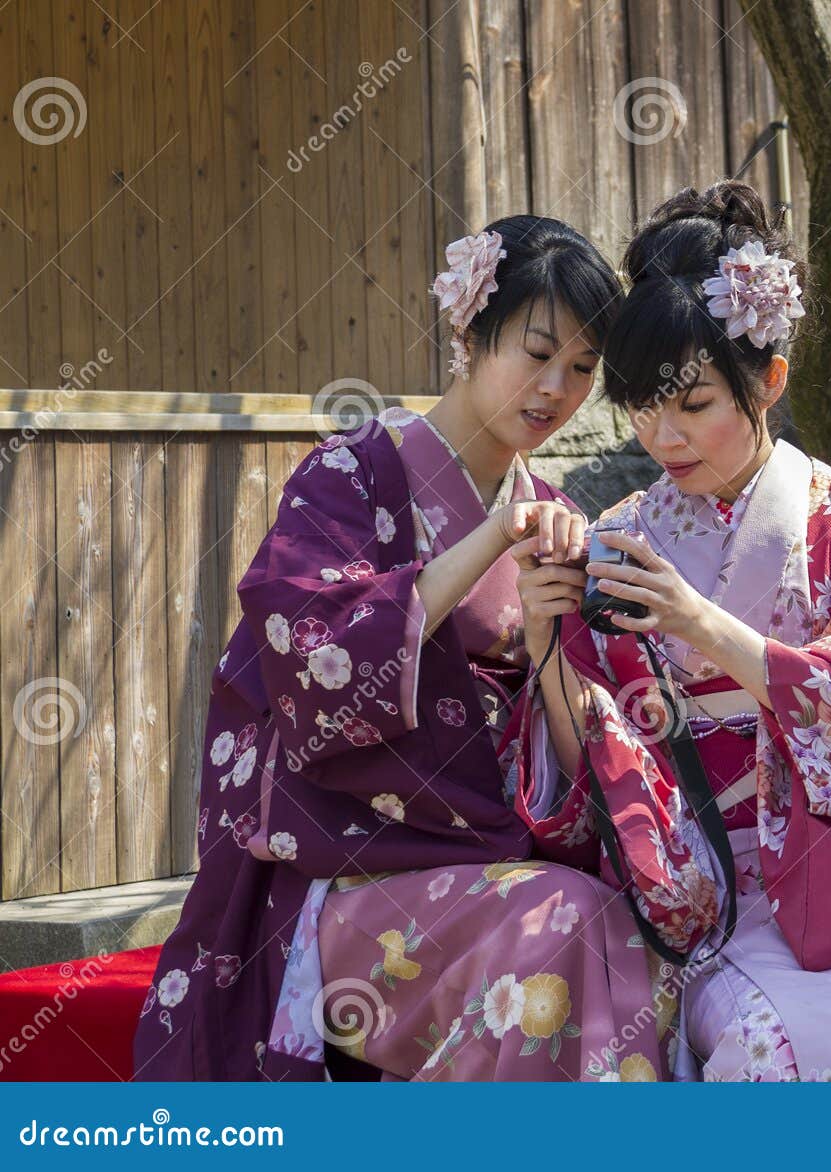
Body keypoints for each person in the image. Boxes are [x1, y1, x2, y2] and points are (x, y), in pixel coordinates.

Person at [133, 217, 663, 1081]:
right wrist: (489, 539)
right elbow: (313, 667)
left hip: (488, 852)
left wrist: (544, 639)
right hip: (345, 870)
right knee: (559, 924)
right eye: (535, 353)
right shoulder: (351, 476)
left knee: (616, 929)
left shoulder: (553, 511)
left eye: (581, 368)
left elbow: (572, 744)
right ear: (467, 332)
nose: (556, 388)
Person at [510, 181, 831, 1081]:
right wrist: (549, 647)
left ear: (770, 378)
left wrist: (701, 623)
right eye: (641, 404)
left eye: (693, 403)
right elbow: (602, 779)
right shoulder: (618, 539)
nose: (662, 434)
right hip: (711, 893)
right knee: (779, 1048)